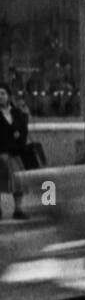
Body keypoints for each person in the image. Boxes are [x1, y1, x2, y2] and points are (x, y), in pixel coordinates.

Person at [0, 84, 29, 220]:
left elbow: (24, 129)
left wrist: (19, 136)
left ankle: (18, 209)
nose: (0, 96)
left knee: (18, 182)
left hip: (14, 153)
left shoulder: (16, 113)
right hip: (1, 153)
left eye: (3, 93)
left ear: (9, 96)